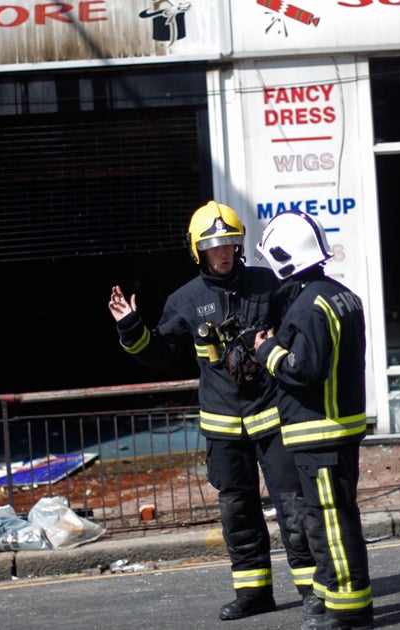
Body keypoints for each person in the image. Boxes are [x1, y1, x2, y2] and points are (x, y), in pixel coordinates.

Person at [108, 201, 319, 622]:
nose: (223, 252)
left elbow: (298, 331)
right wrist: (132, 328)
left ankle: (313, 590)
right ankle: (253, 592)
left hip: (273, 416)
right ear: (197, 250)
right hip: (223, 424)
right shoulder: (184, 299)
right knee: (237, 510)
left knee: (293, 504)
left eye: (229, 243)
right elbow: (163, 354)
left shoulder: (267, 283)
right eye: (213, 246)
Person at [252, 210, 373, 630]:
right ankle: (341, 598)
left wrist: (268, 352)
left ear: (284, 256)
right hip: (337, 428)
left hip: (318, 431)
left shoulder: (308, 306)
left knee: (331, 523)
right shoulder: (339, 294)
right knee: (336, 517)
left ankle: (346, 609)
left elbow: (305, 369)